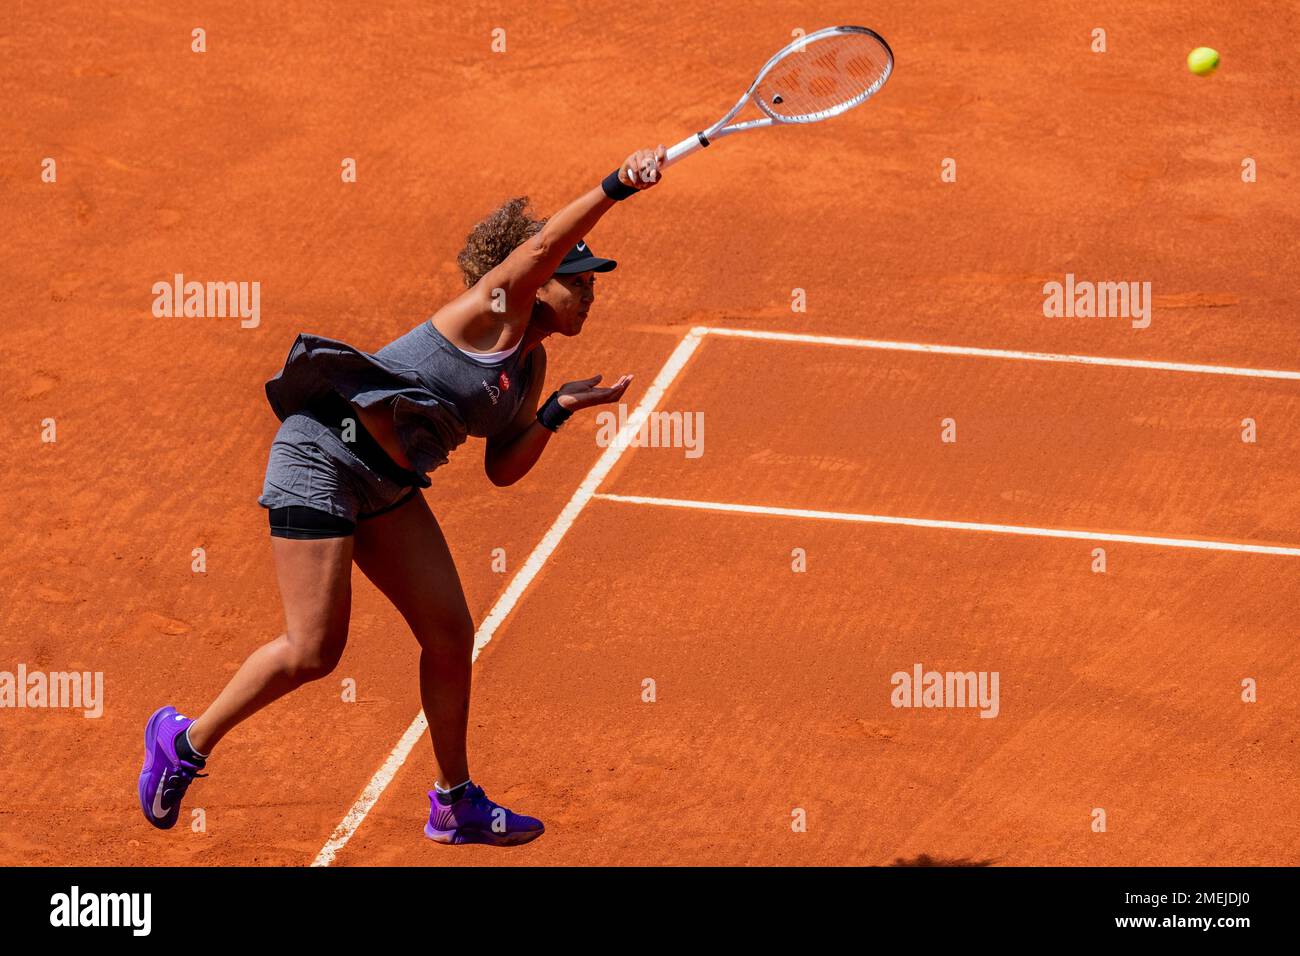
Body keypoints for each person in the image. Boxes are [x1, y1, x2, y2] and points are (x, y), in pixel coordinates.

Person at [138, 146, 668, 846]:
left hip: (385, 483)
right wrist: (617, 186)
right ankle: (184, 741)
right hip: (322, 456)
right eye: (579, 277)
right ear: (537, 283)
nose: (592, 290)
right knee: (313, 651)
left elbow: (501, 471)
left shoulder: (530, 363)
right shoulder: (491, 311)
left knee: (449, 633)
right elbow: (544, 242)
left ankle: (454, 802)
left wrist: (558, 412)